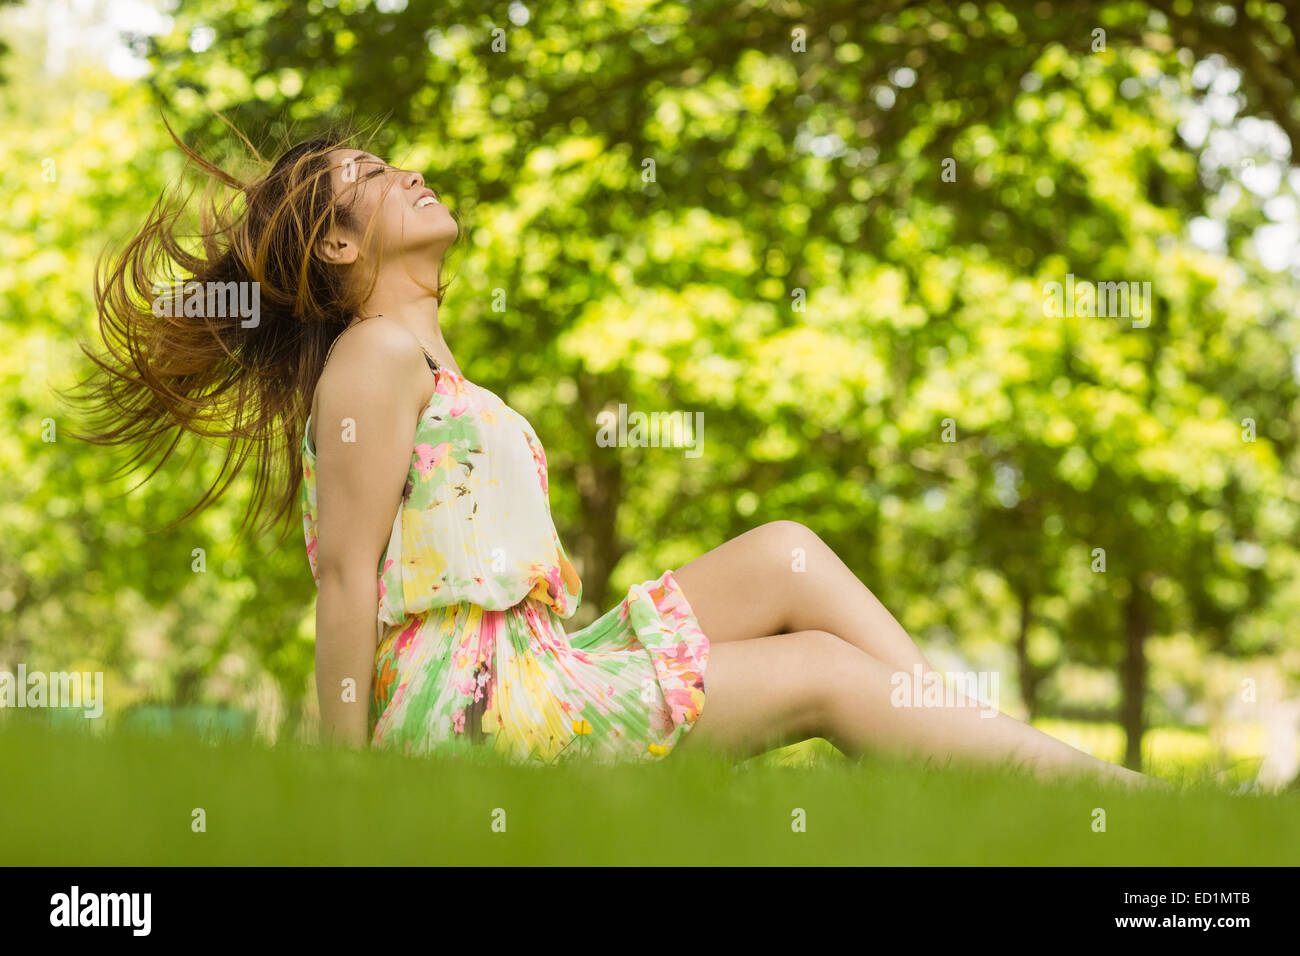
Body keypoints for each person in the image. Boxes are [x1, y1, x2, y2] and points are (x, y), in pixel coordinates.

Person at [70, 123, 1163, 789]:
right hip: (476, 711)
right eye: (368, 175)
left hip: (532, 666)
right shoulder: (373, 356)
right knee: (825, 675)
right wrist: (347, 784)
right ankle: (1087, 793)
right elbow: (347, 576)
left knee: (786, 552)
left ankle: (986, 753)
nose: (404, 172)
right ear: (340, 245)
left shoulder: (420, 355)